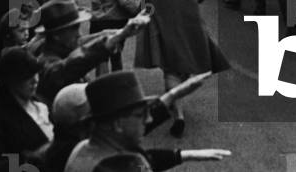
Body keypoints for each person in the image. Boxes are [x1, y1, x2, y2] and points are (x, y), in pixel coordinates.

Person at [131, 0, 230, 136]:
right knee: (184, 68)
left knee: (170, 69)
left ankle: (178, 114)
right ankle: (174, 103)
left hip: (162, 22)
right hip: (189, 23)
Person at [65, 71, 231, 172]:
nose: (149, 119)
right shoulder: (122, 165)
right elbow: (142, 162)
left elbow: (143, 157)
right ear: (117, 124)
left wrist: (174, 94)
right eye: (140, 115)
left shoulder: (87, 147)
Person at [29, 0, 146, 107]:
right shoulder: (45, 63)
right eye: (74, 29)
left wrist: (120, 33)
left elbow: (91, 39)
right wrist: (116, 37)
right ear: (56, 35)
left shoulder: (62, 48)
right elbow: (66, 69)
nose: (79, 34)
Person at [0, 46, 53, 172]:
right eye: (28, 76)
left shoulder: (43, 105)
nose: (35, 80)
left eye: (36, 73)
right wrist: (29, 159)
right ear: (11, 79)